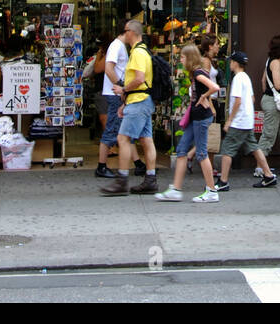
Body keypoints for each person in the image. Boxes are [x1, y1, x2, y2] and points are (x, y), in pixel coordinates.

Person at [157, 45, 221, 203]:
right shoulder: (196, 73)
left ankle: (211, 191)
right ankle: (176, 189)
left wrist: (203, 96)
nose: (181, 60)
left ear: (190, 58)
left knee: (201, 153)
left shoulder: (198, 73)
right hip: (196, 117)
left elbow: (215, 87)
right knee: (181, 149)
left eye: (183, 57)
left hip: (200, 118)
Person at [100, 21, 158, 195]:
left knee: (123, 139)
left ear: (132, 32)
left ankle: (122, 180)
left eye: (126, 31)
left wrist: (123, 89)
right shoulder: (142, 51)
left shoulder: (138, 53)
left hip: (138, 101)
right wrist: (125, 101)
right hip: (142, 100)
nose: (124, 34)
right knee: (146, 140)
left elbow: (139, 78)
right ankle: (150, 179)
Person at [214, 51, 277, 190]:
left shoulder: (237, 79)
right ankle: (268, 175)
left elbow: (237, 101)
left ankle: (223, 181)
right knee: (254, 147)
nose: (230, 64)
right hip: (247, 120)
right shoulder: (246, 77)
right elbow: (252, 98)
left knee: (227, 149)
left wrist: (229, 120)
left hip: (239, 121)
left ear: (235, 63)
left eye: (231, 61)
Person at [93, 22, 138, 179]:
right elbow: (108, 68)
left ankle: (138, 163)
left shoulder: (119, 46)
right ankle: (101, 166)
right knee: (112, 129)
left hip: (116, 93)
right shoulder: (117, 46)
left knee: (123, 130)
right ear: (129, 32)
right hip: (114, 94)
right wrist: (121, 87)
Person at [257, 35, 280, 167]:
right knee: (268, 135)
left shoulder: (270, 61)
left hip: (272, 101)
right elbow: (278, 85)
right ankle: (260, 168)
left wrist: (267, 96)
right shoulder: (276, 63)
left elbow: (263, 81)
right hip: (274, 102)